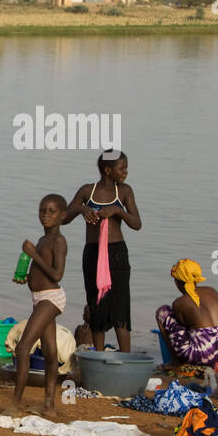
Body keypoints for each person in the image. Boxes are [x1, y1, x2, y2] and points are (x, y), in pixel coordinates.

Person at [63, 150, 141, 352]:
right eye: (121, 168)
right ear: (108, 170)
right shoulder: (87, 191)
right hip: (93, 254)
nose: (125, 172)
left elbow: (137, 223)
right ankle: (99, 356)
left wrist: (118, 211)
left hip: (117, 255)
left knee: (120, 306)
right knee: (96, 304)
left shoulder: (124, 191)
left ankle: (125, 357)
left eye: (126, 168)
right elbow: (64, 217)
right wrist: (82, 209)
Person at [4, 194, 68, 417]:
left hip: (51, 298)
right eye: (42, 211)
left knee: (23, 348)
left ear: (62, 215)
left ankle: (15, 404)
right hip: (40, 297)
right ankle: (49, 405)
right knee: (50, 353)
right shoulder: (42, 240)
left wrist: (33, 255)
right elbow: (40, 273)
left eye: (51, 211)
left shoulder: (58, 241)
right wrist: (25, 278)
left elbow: (57, 274)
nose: (45, 216)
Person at [155, 259, 218, 366]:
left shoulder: (179, 303)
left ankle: (175, 362)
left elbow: (182, 329)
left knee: (162, 311)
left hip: (201, 355)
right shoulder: (212, 290)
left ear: (177, 283)